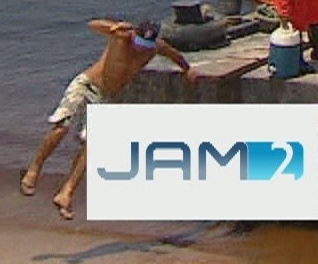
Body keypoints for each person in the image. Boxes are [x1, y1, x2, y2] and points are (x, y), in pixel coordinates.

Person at [22, 19, 195, 220]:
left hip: (107, 97)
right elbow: (92, 25)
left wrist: (187, 69)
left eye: (145, 46)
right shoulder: (121, 36)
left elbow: (174, 55)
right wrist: (111, 27)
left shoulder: (156, 48)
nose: (140, 49)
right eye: (139, 43)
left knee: (92, 146)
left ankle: (66, 193)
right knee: (62, 126)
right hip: (87, 85)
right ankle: (34, 170)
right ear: (135, 35)